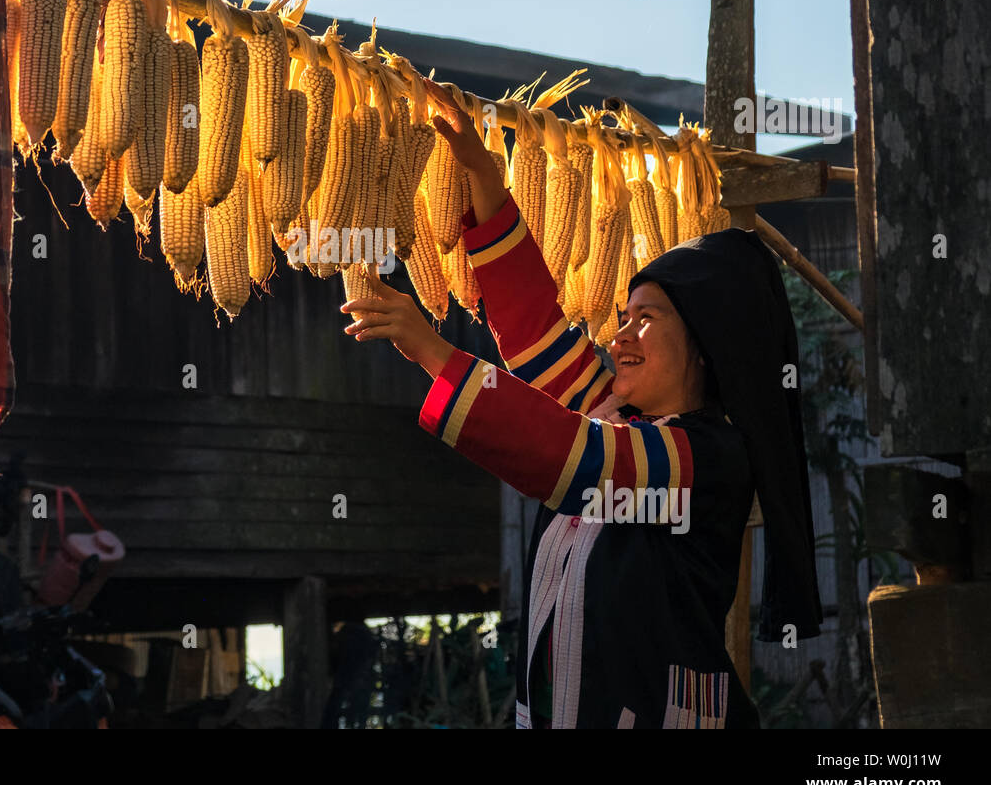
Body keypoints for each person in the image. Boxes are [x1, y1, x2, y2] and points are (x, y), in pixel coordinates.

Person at [341, 97, 822, 728]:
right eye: (622, 319)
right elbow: (538, 330)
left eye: (644, 320)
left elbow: (580, 462)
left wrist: (435, 352)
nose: (619, 336)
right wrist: (486, 181)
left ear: (704, 347)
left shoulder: (708, 456)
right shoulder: (619, 418)